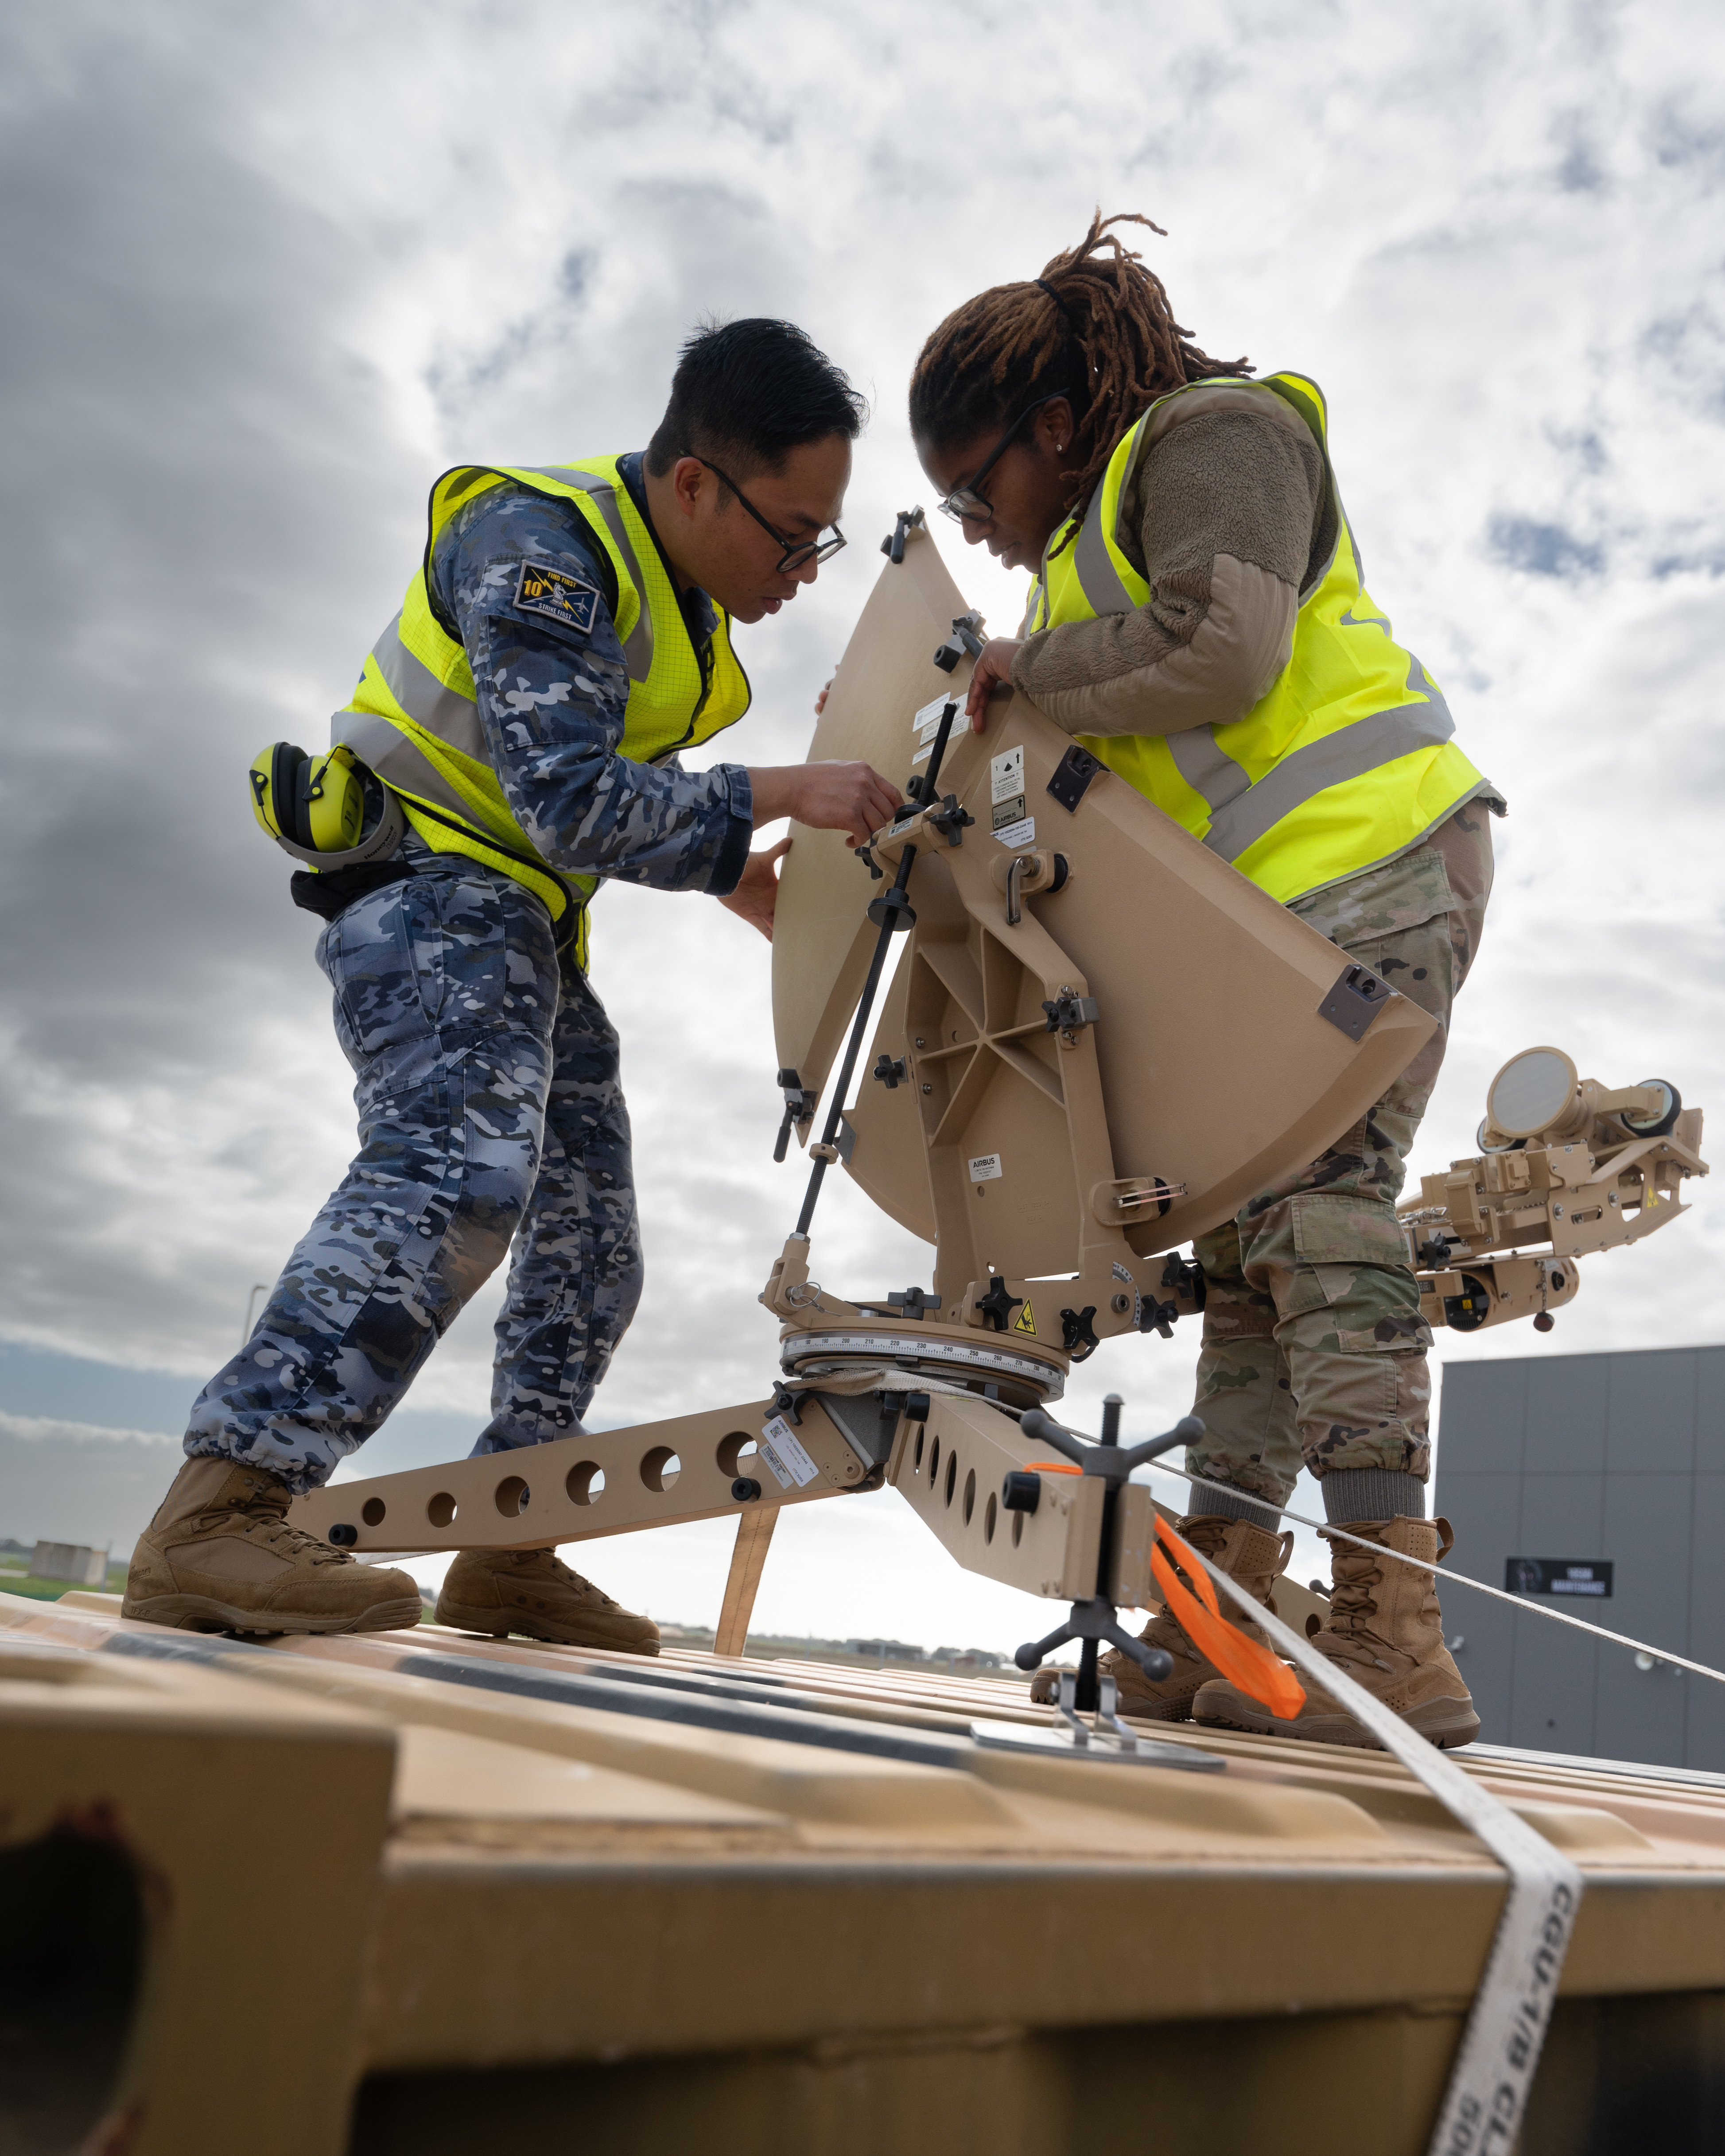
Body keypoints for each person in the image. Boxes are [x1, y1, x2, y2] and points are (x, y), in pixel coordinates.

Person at [123, 318, 903, 1649]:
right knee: (455, 1169)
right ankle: (220, 1508)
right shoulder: (543, 545)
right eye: (793, 534)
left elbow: (586, 785)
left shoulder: (678, 601)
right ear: (698, 483)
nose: (803, 569)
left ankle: (507, 1543)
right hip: (430, 884)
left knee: (594, 1245)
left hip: (522, 920)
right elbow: (562, 797)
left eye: (822, 541)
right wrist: (777, 797)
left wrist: (732, 874)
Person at [909, 215, 1504, 1750]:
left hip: (1376, 857)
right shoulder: (1079, 567)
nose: (975, 526)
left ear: (1055, 423)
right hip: (1281, 912)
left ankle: (1390, 1620)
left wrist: (1033, 676)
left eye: (979, 485)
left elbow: (1228, 650)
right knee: (1243, 1273)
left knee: (1322, 1216)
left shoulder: (1218, 432)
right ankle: (1219, 1617)